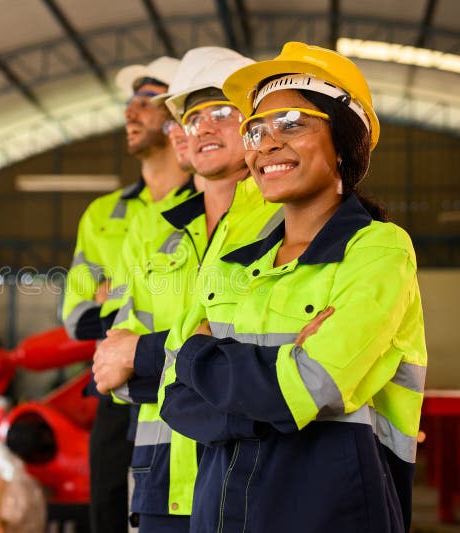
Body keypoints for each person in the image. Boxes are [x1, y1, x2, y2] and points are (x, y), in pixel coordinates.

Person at [154, 42, 428, 532]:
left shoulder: (379, 250)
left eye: (293, 124)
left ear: (344, 143)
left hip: (333, 512)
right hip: (221, 514)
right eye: (256, 130)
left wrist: (201, 356)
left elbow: (314, 383)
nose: (266, 143)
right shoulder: (234, 266)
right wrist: (280, 384)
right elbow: (174, 398)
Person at [91, 47, 281, 532]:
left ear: (255, 126)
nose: (204, 127)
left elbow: (271, 363)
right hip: (161, 477)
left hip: (255, 473)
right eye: (192, 117)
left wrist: (148, 355)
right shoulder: (160, 238)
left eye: (222, 111)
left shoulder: (284, 222)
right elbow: (114, 370)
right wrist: (198, 356)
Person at [61, 56, 192, 533]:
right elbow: (76, 316)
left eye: (145, 100)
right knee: (109, 503)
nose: (130, 113)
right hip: (115, 384)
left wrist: (114, 295)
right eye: (129, 103)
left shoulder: (212, 203)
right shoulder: (103, 213)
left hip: (185, 374)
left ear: (178, 111)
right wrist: (134, 308)